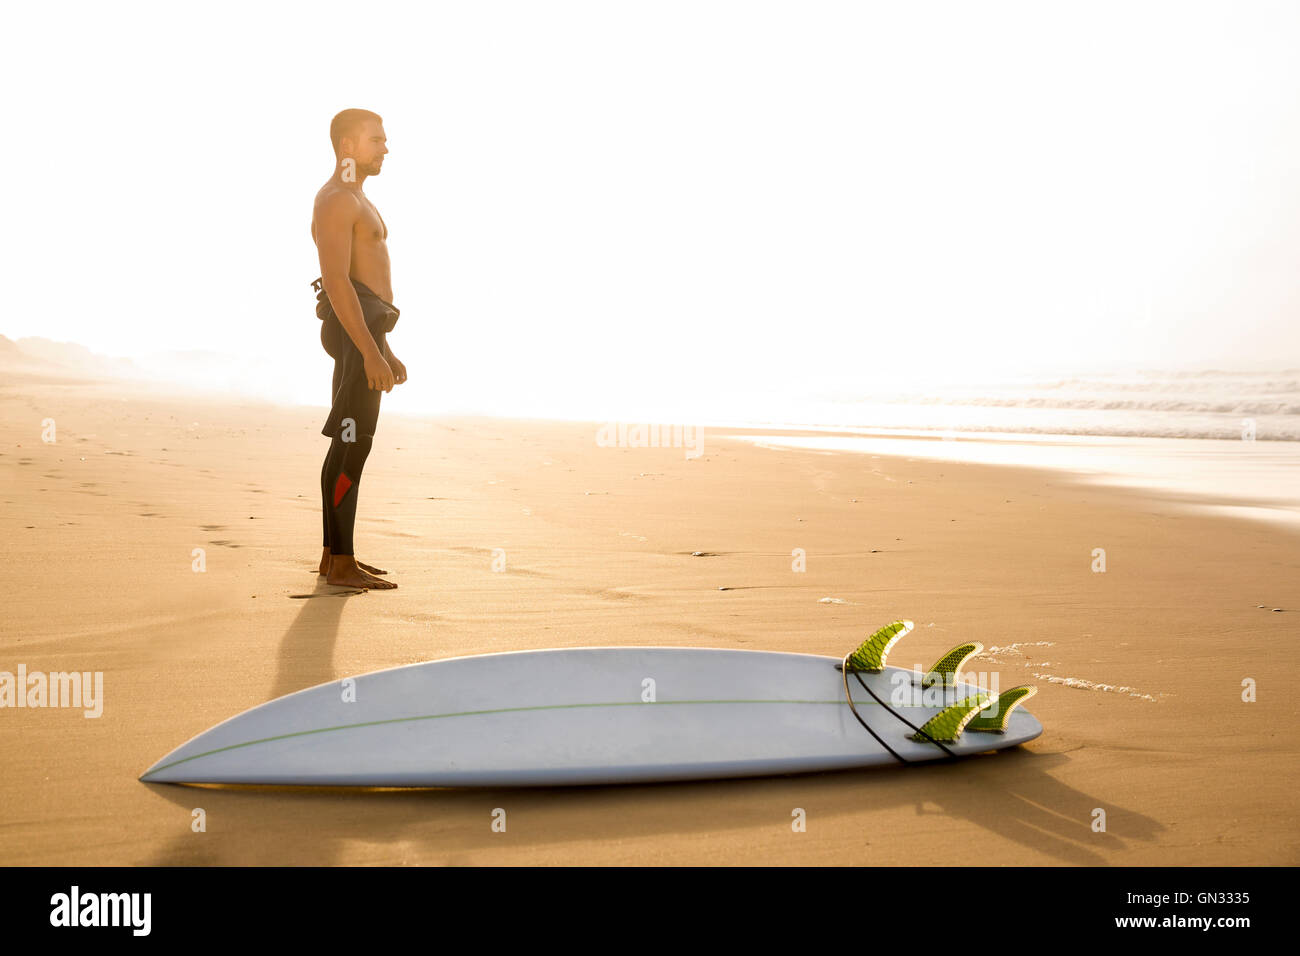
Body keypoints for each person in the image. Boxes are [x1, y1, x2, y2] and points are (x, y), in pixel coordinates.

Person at [311, 108, 406, 590]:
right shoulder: (336, 200)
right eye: (376, 140)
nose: (385, 148)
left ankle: (334, 556)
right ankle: (343, 564)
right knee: (353, 444)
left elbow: (364, 284)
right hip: (354, 335)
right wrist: (369, 352)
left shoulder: (356, 198)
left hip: (365, 331)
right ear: (347, 146)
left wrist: (383, 347)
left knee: (347, 445)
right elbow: (337, 282)